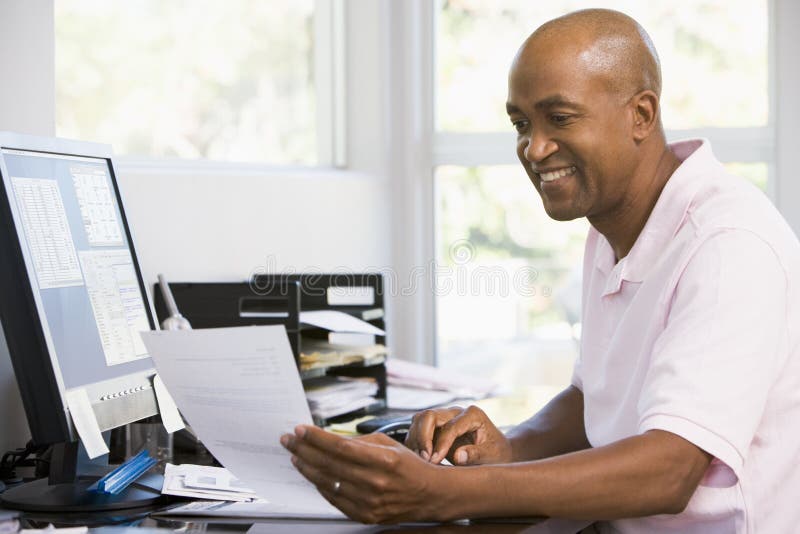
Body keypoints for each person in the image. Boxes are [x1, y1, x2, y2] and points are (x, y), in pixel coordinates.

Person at [281, 8, 800, 531]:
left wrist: (444, 492)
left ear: (641, 115)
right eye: (521, 124)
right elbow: (589, 400)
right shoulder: (613, 224)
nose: (535, 148)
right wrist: (509, 445)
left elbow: (670, 471)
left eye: (561, 118)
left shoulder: (729, 245)